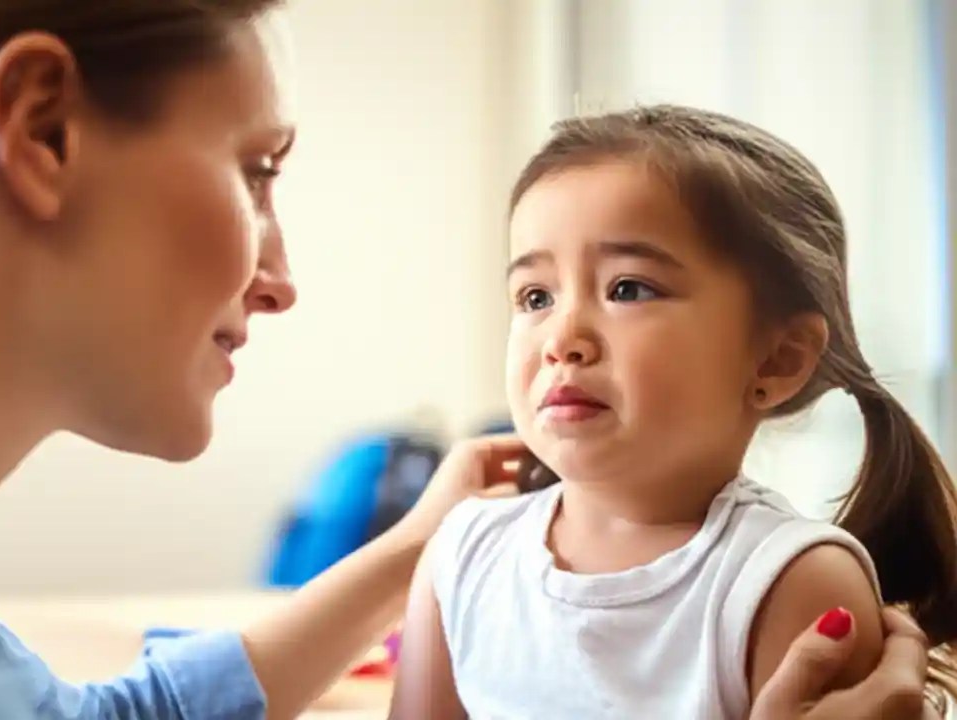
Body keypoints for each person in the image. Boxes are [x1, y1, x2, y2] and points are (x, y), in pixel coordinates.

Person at [0, 1, 935, 717]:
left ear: (778, 360)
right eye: (254, 171)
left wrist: (408, 554)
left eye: (626, 286)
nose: (278, 277)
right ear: (43, 130)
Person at [387, 104, 956, 719]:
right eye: (536, 296)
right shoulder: (463, 557)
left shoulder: (788, 583)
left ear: (776, 360)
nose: (561, 337)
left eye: (628, 289)